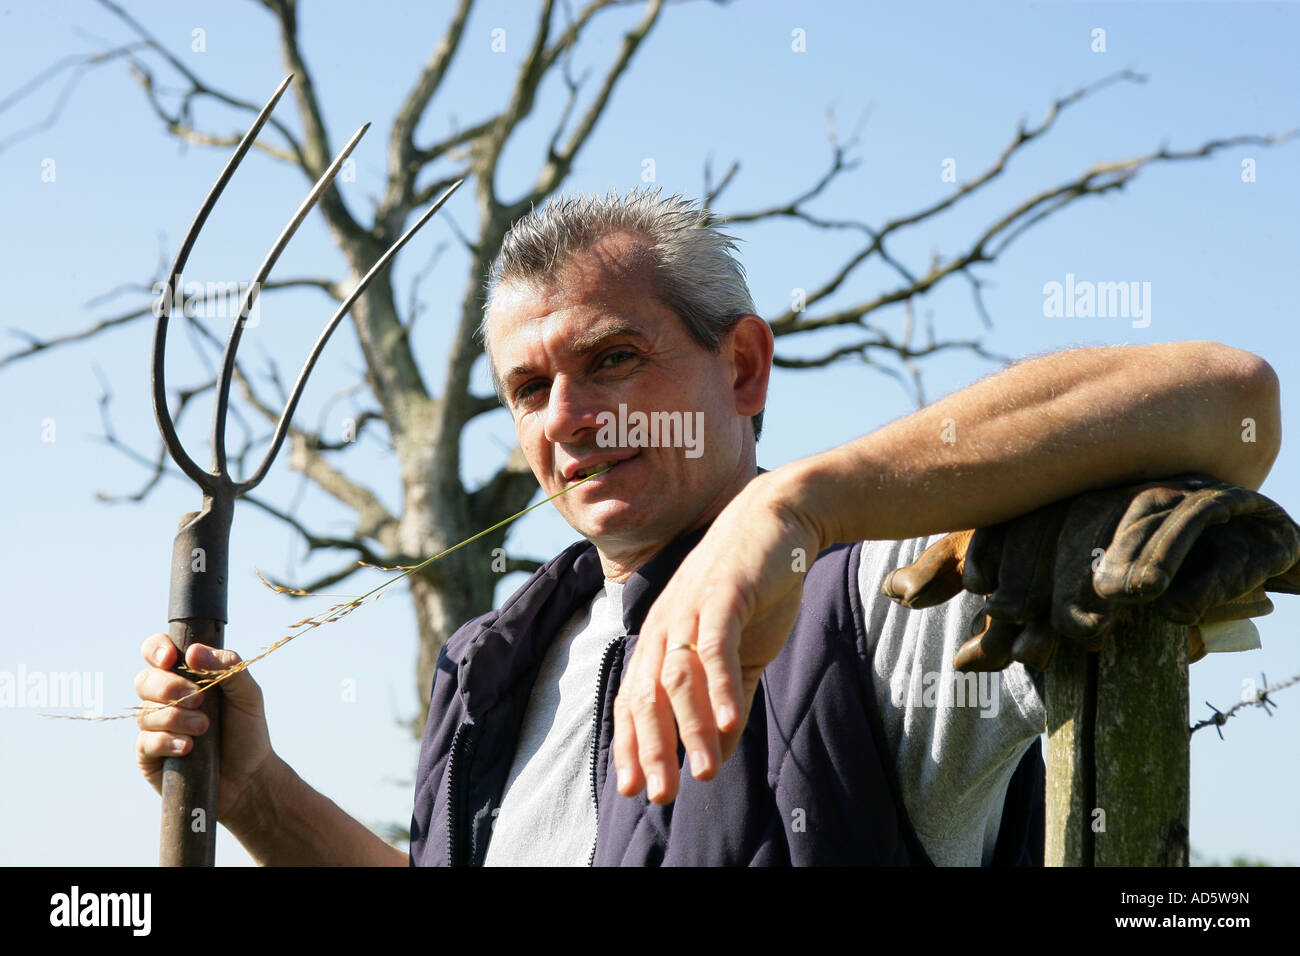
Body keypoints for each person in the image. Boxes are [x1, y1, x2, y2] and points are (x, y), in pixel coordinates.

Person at [134, 188, 1281, 866]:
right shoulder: (490, 661)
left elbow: (1228, 394)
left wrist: (796, 507)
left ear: (741, 365)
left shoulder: (866, 588)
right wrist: (258, 794)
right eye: (530, 389)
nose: (570, 419)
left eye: (614, 358)